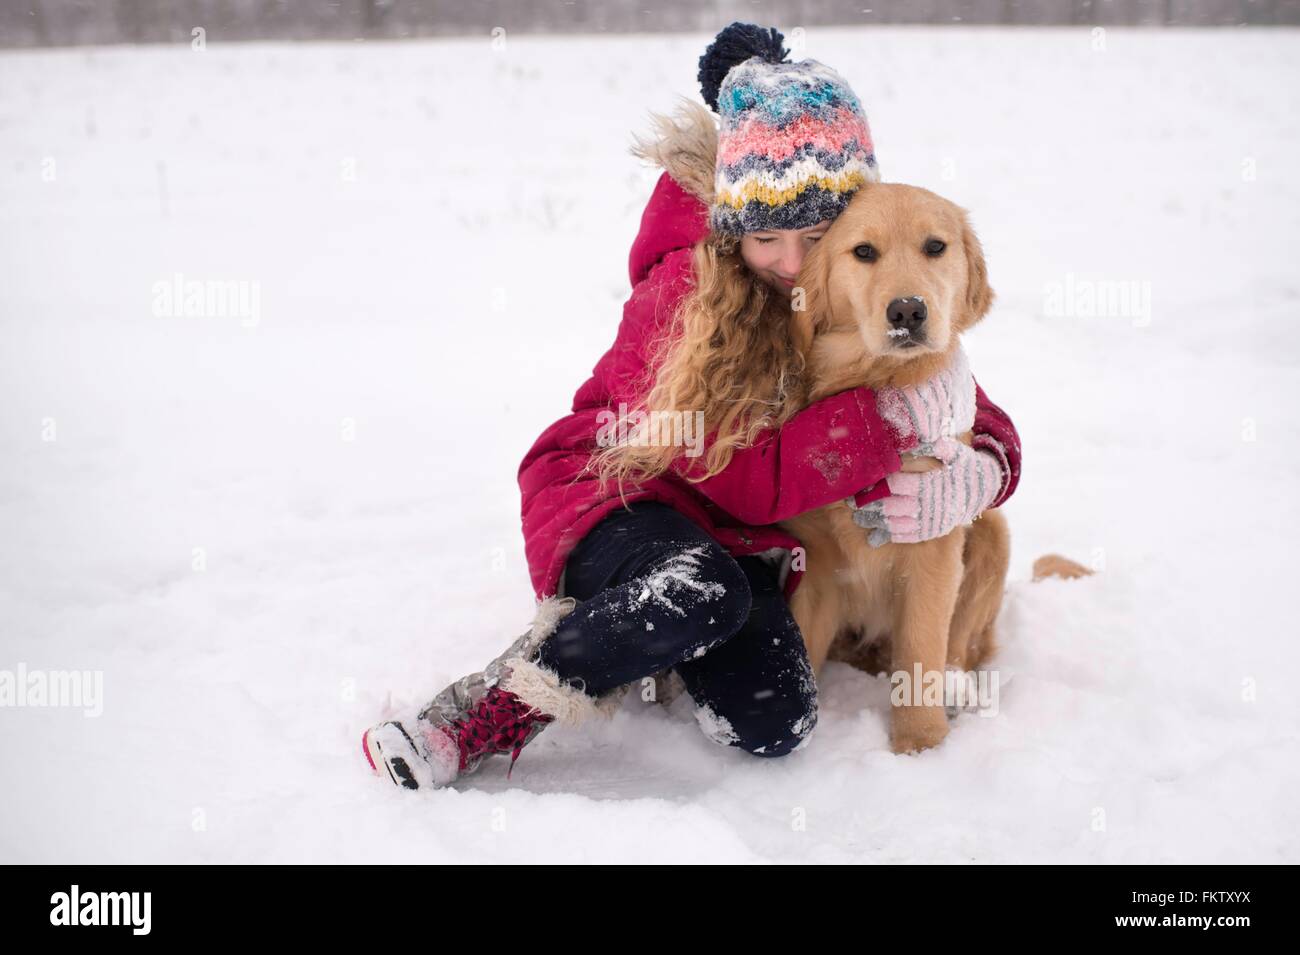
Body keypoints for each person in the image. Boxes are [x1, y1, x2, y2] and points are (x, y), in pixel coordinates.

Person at [362, 22, 1022, 790]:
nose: (793, 260)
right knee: (700, 587)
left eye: (818, 234)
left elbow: (945, 390)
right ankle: (484, 710)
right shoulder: (686, 291)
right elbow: (744, 477)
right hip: (620, 493)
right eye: (768, 235)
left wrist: (987, 462)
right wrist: (882, 425)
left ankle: (661, 650)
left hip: (740, 542)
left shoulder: (847, 287)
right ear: (734, 218)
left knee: (775, 720)